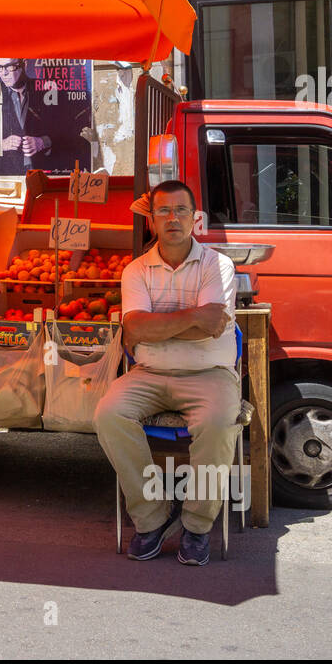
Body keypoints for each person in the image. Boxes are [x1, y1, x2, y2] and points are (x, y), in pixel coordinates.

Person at [93, 179, 240, 566]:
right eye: (163, 211)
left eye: (180, 210)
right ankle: (152, 517)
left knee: (219, 423)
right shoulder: (136, 270)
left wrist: (155, 324)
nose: (172, 218)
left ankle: (196, 525)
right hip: (149, 373)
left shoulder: (217, 265)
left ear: (195, 218)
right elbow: (137, 329)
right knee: (108, 414)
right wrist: (192, 316)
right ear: (152, 221)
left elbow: (212, 327)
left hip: (210, 373)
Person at [0, 59, 89, 175]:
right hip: (7, 174)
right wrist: (1, 144)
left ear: (24, 64)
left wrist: (43, 142)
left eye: (10, 66)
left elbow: (69, 132)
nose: (4, 73)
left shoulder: (48, 90)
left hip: (46, 173)